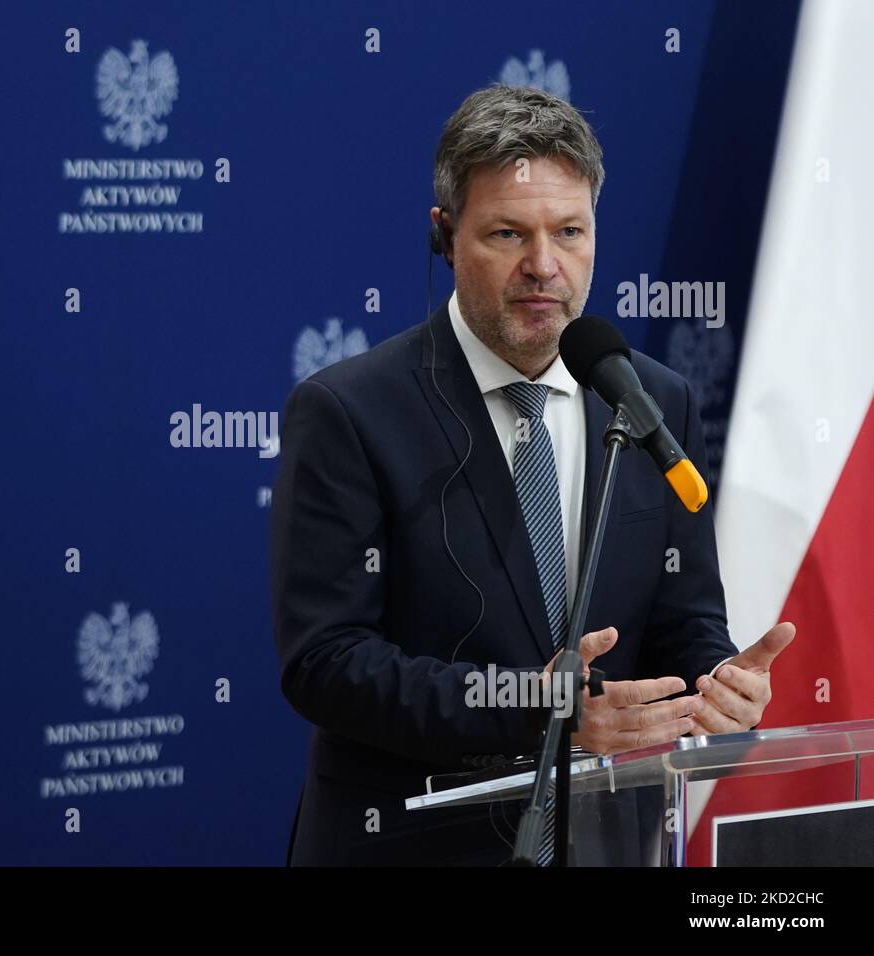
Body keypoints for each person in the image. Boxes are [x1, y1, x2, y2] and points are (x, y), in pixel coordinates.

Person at [270, 84, 794, 866]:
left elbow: (681, 618)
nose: (543, 267)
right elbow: (327, 664)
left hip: (606, 842)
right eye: (508, 233)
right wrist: (534, 704)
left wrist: (716, 680)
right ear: (444, 237)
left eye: (570, 232)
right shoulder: (348, 411)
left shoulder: (653, 399)